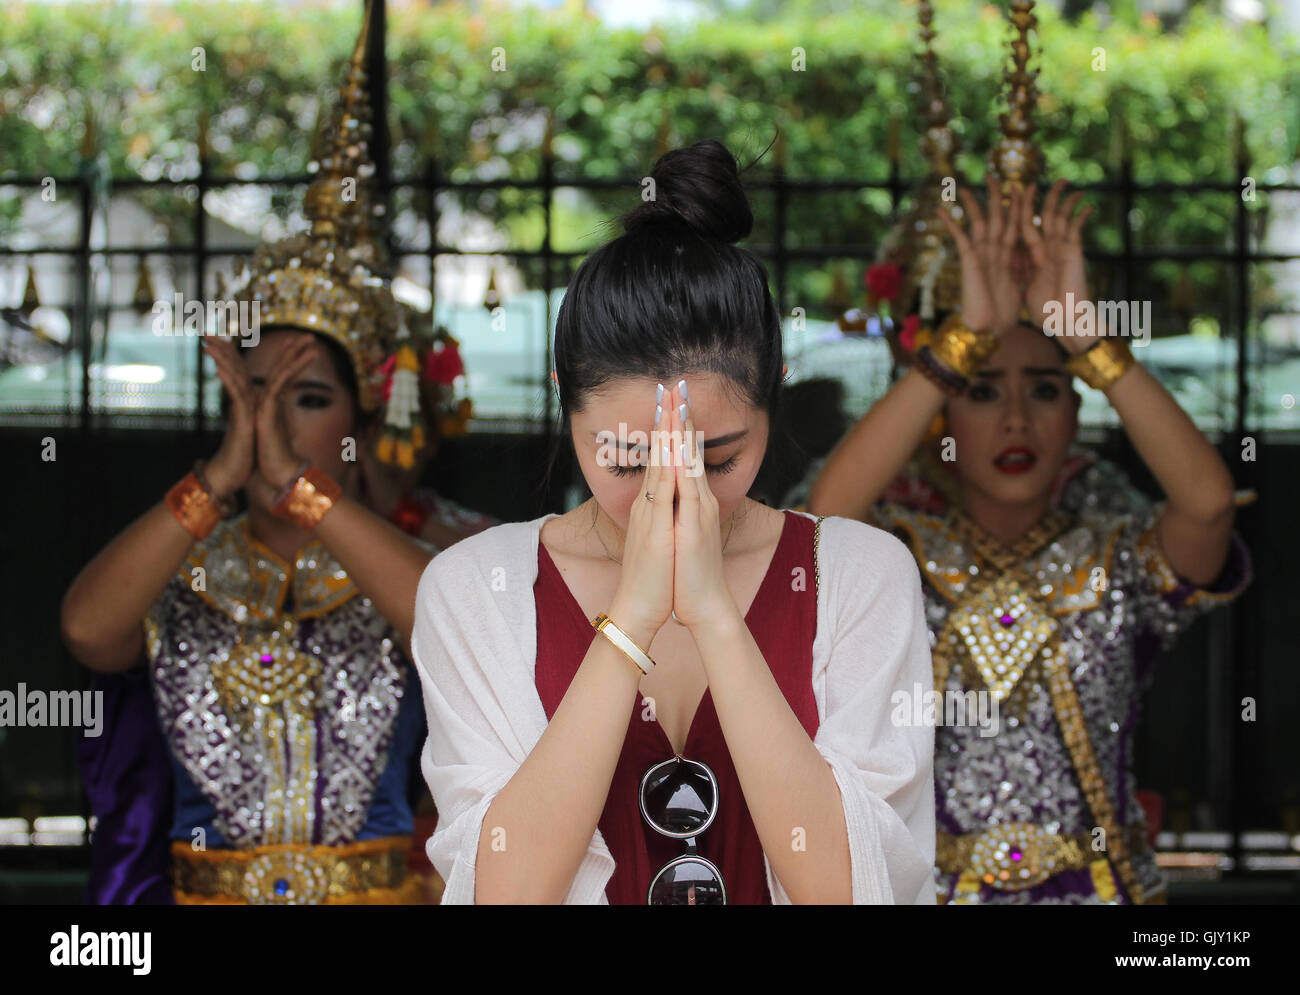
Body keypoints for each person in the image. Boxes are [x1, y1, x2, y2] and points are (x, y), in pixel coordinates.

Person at [411, 139, 936, 905]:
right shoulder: (476, 589)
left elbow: (850, 889)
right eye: (628, 459)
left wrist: (717, 617)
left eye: (715, 458)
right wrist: (632, 619)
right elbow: (508, 891)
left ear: (774, 396)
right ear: (564, 401)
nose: (674, 489)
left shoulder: (859, 575)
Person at [63, 6, 438, 904]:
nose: (276, 418)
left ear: (362, 415)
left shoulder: (405, 570)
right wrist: (220, 481)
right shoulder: (186, 568)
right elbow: (87, 631)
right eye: (254, 391)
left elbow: (456, 624)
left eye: (307, 397)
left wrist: (306, 496)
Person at [806, 173, 1252, 904]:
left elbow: (1207, 505)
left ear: (1078, 411)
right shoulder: (903, 558)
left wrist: (1086, 336)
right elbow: (830, 512)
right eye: (984, 390)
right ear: (943, 416)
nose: (1017, 418)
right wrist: (964, 337)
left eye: (1045, 388)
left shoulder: (1118, 558)